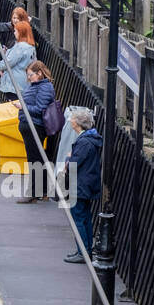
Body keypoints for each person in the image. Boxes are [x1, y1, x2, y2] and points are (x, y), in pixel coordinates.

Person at [63, 107, 102, 264]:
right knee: (85, 217)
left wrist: (67, 160)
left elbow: (74, 164)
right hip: (87, 183)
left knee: (78, 218)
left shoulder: (84, 142)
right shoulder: (91, 139)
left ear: (78, 123)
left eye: (72, 119)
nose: (71, 122)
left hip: (80, 185)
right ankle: (86, 250)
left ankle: (83, 252)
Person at [15, 61, 56, 203]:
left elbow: (40, 109)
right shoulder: (38, 86)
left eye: (30, 75)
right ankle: (42, 191)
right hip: (31, 126)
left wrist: (22, 106)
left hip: (35, 126)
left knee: (34, 160)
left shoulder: (45, 87)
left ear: (39, 73)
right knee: (38, 158)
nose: (29, 78)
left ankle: (32, 193)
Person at [0, 18, 36, 100]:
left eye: (15, 31)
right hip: (24, 79)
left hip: (14, 82)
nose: (14, 33)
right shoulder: (31, 46)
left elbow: (8, 62)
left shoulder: (20, 47)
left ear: (20, 33)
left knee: (13, 106)